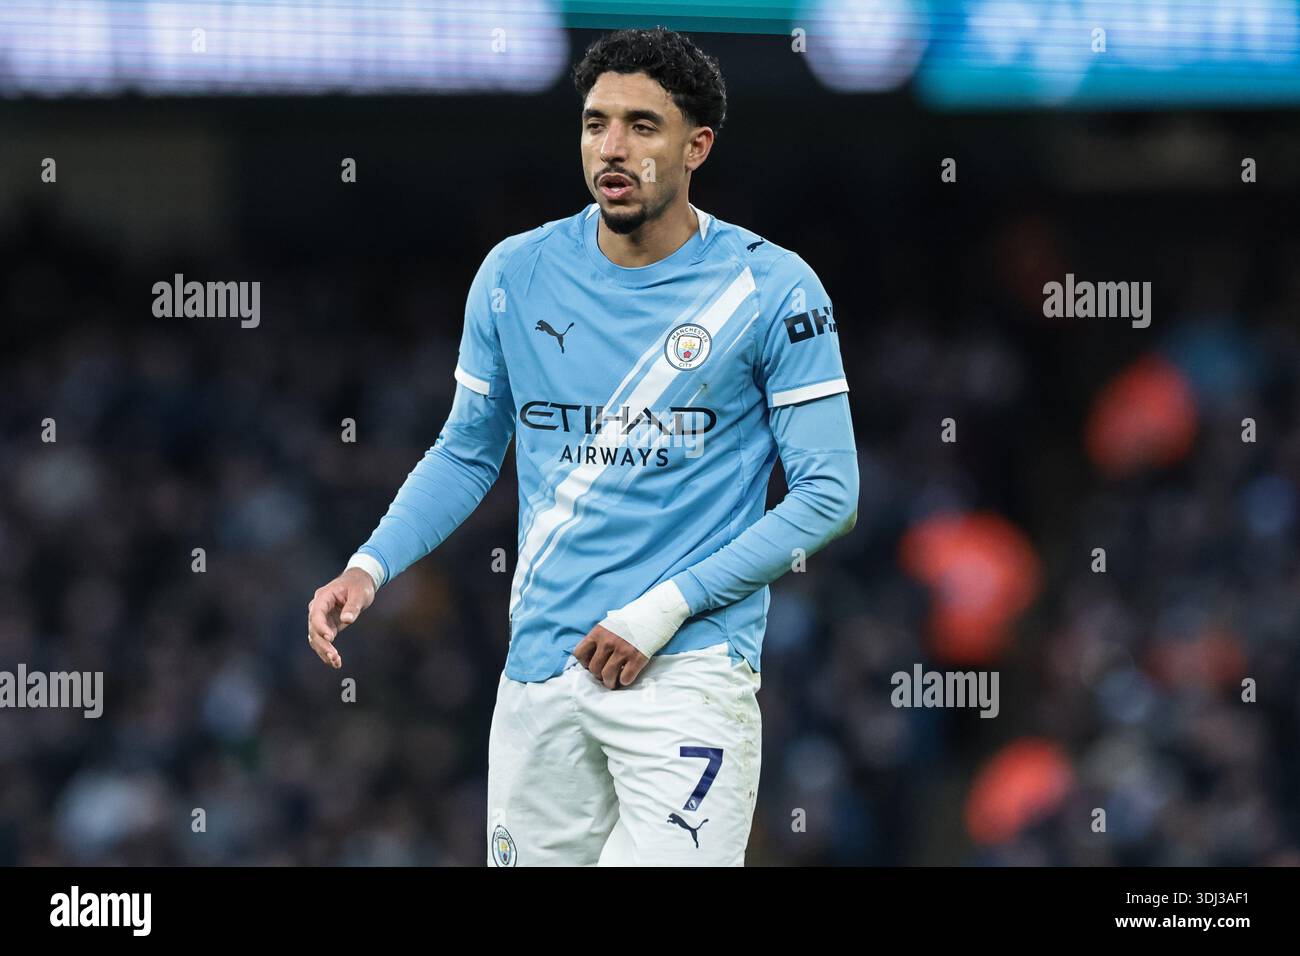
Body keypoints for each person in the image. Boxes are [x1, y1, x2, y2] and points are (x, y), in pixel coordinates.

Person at [307, 26, 859, 866]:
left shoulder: (772, 287)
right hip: (541, 667)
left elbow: (829, 494)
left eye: (643, 126)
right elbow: (467, 450)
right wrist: (369, 565)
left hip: (686, 672)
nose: (613, 147)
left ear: (696, 145)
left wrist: (661, 609)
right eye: (596, 123)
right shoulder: (513, 274)